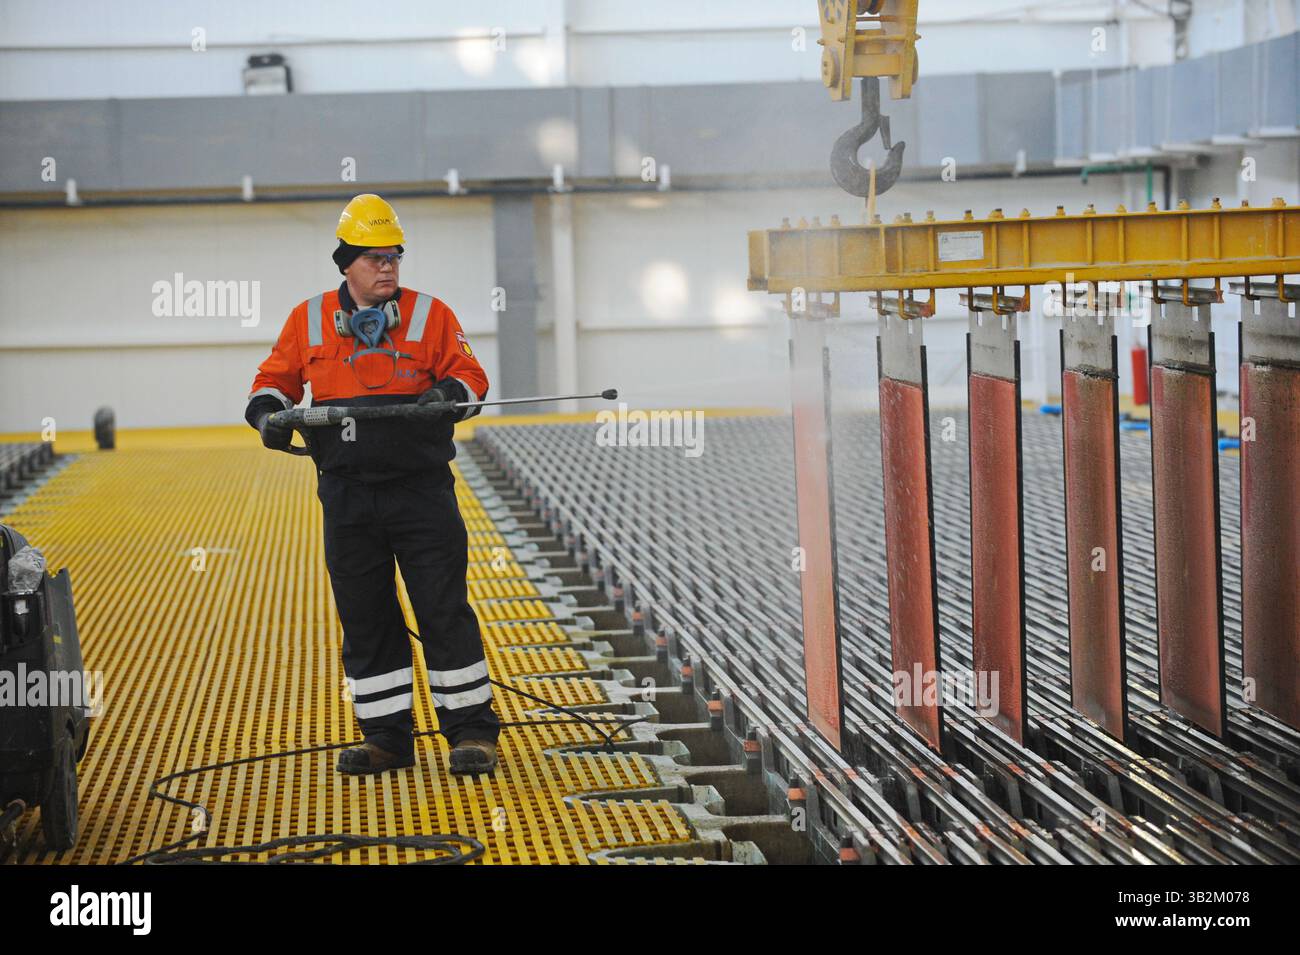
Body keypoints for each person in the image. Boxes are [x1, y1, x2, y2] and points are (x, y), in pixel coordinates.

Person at [244, 193, 500, 776]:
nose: (386, 267)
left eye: (393, 257)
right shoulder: (307, 320)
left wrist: (446, 398)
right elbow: (273, 382)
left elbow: (471, 378)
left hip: (421, 490)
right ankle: (387, 739)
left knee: (442, 609)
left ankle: (471, 733)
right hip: (347, 495)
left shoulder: (431, 316)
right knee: (366, 614)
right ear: (345, 263)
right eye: (373, 257)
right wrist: (269, 417)